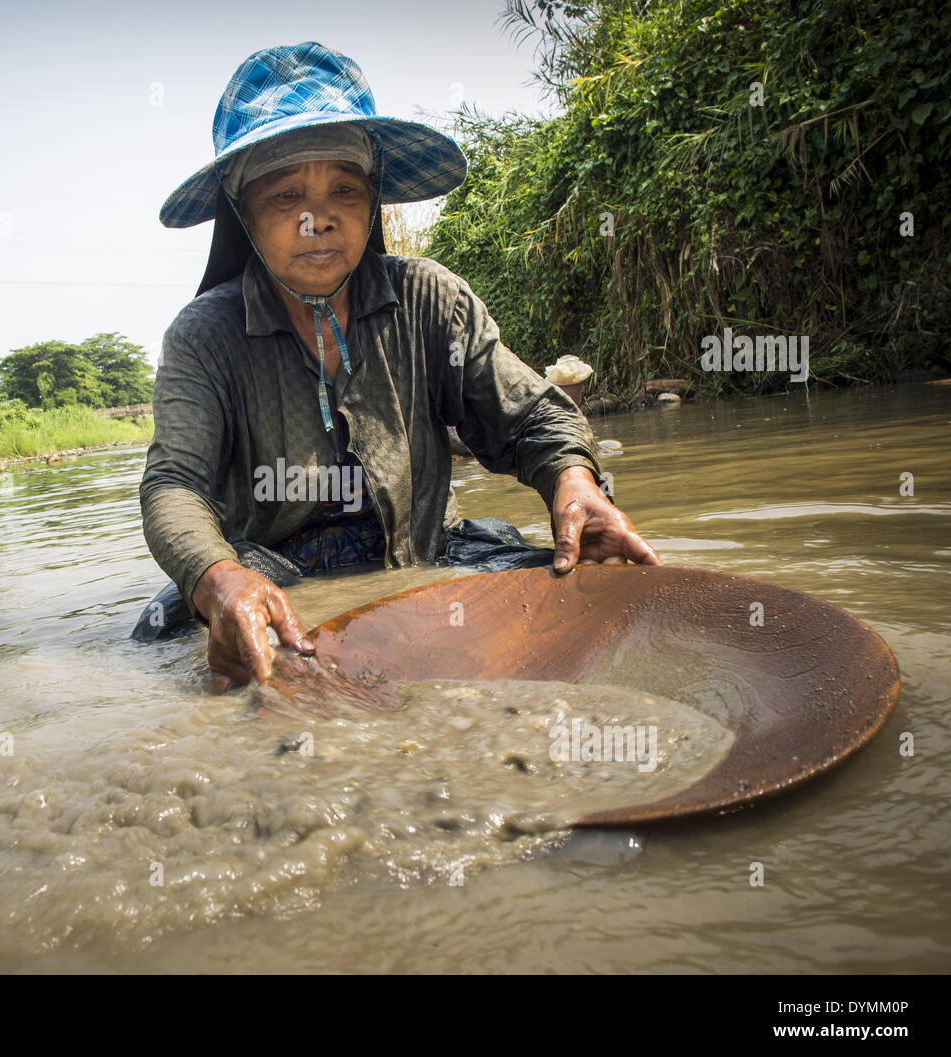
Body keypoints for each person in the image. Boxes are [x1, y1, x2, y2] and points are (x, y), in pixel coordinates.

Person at [135, 41, 661, 690]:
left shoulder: (429, 299)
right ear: (242, 213)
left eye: (344, 189)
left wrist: (575, 486)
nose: (318, 217)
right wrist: (219, 579)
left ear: (371, 201)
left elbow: (530, 420)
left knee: (587, 590)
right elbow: (174, 486)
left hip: (423, 557)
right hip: (275, 574)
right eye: (285, 195)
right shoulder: (203, 336)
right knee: (170, 657)